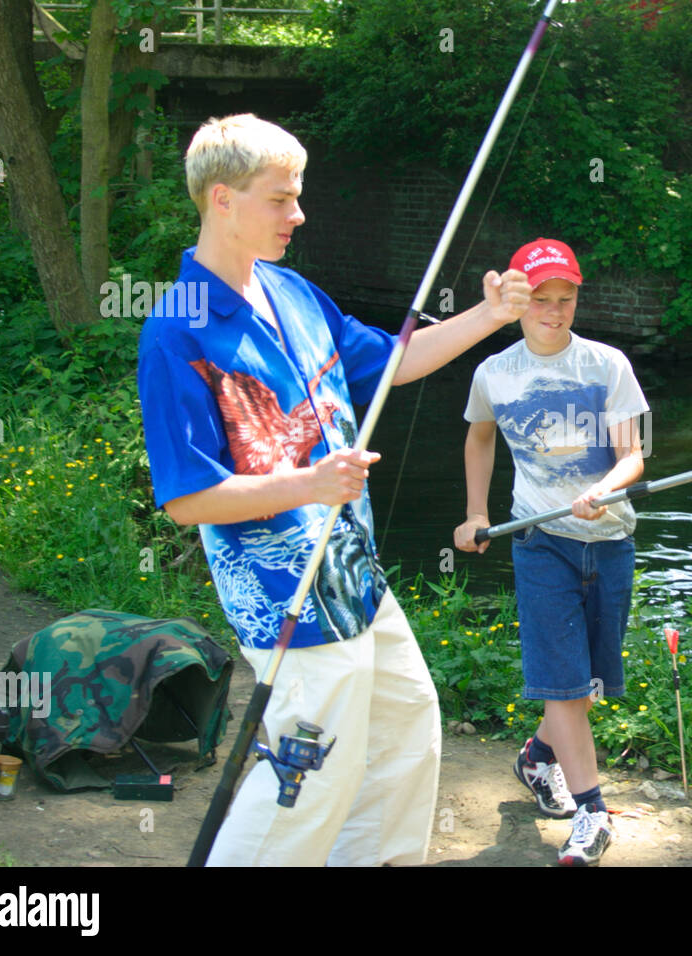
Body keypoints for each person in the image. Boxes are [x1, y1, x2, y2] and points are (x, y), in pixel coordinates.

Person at [137, 113, 531, 866]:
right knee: (307, 769)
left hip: (353, 573)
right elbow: (187, 499)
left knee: (405, 722)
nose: (299, 213)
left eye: (298, 195)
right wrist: (309, 483)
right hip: (285, 595)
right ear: (222, 199)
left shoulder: (290, 292)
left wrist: (493, 314)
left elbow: (390, 362)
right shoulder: (176, 331)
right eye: (281, 198)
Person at [454, 238, 648, 866]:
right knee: (563, 685)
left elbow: (633, 456)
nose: (555, 311)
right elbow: (479, 439)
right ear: (518, 301)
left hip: (610, 537)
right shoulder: (493, 374)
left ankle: (537, 758)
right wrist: (477, 512)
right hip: (539, 539)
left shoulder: (607, 364)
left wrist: (605, 487)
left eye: (565, 299)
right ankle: (592, 811)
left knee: (586, 683)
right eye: (541, 300)